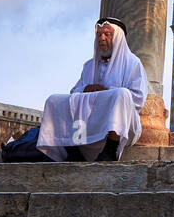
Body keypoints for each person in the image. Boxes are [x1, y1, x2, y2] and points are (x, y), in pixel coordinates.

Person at [38, 18, 148, 162]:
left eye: (107, 34)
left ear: (117, 38)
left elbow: (138, 98)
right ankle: (72, 149)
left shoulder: (133, 63)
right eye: (99, 35)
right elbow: (75, 92)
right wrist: (86, 89)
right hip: (86, 128)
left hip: (124, 127)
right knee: (54, 100)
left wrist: (107, 92)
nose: (102, 38)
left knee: (121, 94)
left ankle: (111, 149)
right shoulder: (89, 66)